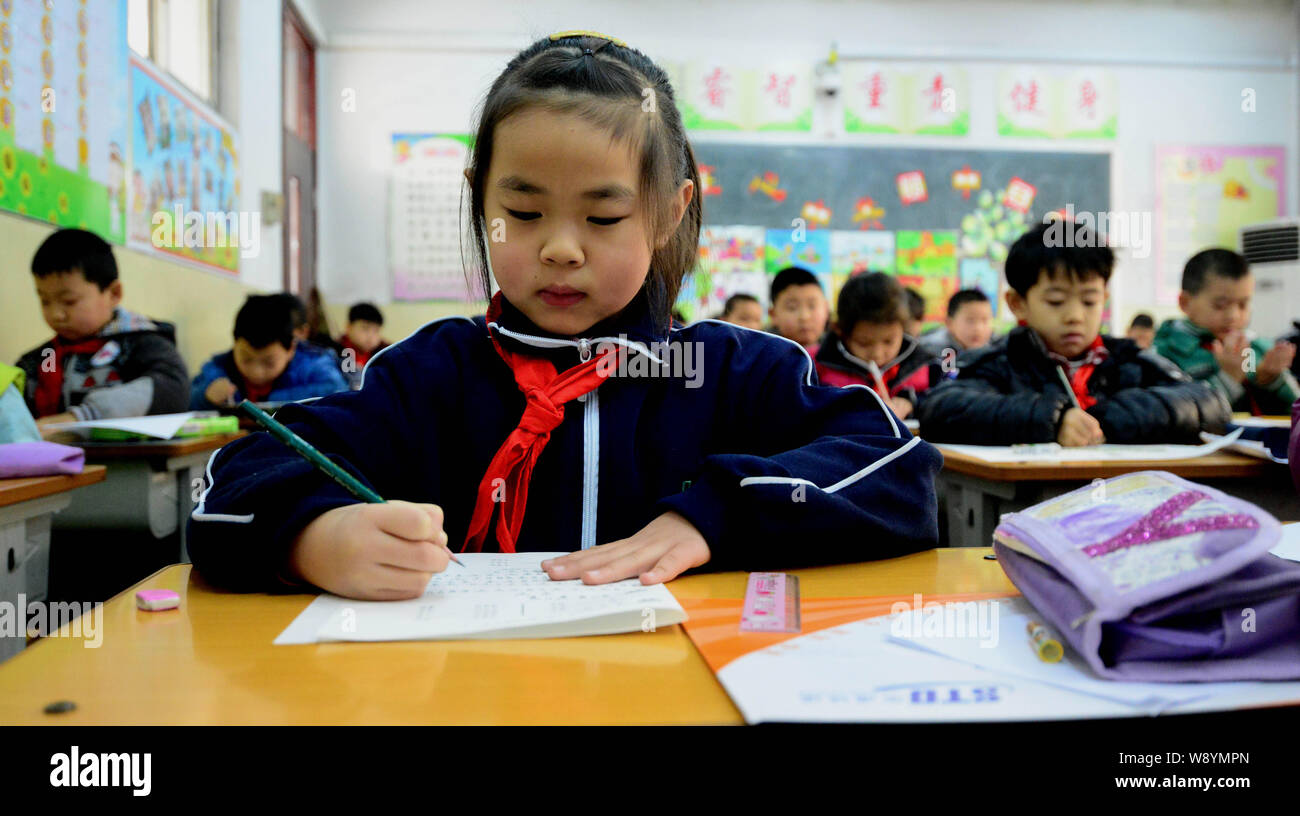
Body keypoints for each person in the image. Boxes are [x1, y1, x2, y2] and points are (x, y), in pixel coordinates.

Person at [187, 31, 942, 600]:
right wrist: (314, 538)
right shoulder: (431, 375)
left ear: (671, 213)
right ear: (480, 202)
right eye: (521, 210)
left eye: (604, 217)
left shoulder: (736, 371)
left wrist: (713, 515)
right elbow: (235, 484)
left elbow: (901, 470)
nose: (558, 249)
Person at [918, 222, 1229, 445]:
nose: (1075, 316)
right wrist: (1054, 420)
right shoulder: (997, 363)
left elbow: (1211, 403)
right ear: (1018, 304)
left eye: (1089, 300)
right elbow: (940, 409)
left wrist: (1108, 419)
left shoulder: (1129, 360)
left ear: (1104, 299)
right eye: (1056, 301)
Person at [16, 228, 188, 427]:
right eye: (45, 301)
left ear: (114, 294)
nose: (56, 314)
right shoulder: (42, 358)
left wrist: (84, 416)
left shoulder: (141, 344)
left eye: (69, 301)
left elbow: (173, 389)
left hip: (127, 457)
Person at [1153, 249, 1298, 416]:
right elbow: (1171, 414)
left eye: (1243, 305)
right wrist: (1228, 378)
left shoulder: (1253, 349)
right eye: (1220, 305)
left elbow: (1294, 413)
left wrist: (1271, 380)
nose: (1233, 316)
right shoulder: (1164, 353)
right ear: (1185, 302)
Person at [812, 273, 938, 420]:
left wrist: (911, 402)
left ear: (903, 329)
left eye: (889, 341)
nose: (877, 353)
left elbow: (941, 401)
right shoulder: (816, 367)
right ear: (841, 332)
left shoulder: (923, 365)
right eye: (864, 343)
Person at [189, 294, 348, 408]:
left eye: (269, 362)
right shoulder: (218, 368)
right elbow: (184, 400)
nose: (256, 372)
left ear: (291, 349)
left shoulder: (314, 364)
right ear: (235, 342)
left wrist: (269, 401)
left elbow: (337, 391)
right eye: (246, 359)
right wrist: (205, 397)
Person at [917, 288, 995, 361]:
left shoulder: (995, 346)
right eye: (970, 320)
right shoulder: (931, 351)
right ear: (949, 323)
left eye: (985, 320)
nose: (978, 328)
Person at [767, 266, 829, 349]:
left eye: (812, 306)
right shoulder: (762, 357)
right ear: (773, 315)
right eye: (792, 308)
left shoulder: (840, 353)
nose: (804, 317)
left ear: (826, 309)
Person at [339, 302, 390, 389]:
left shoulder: (385, 352)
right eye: (365, 328)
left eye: (376, 331)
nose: (371, 336)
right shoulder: (335, 351)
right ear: (348, 327)